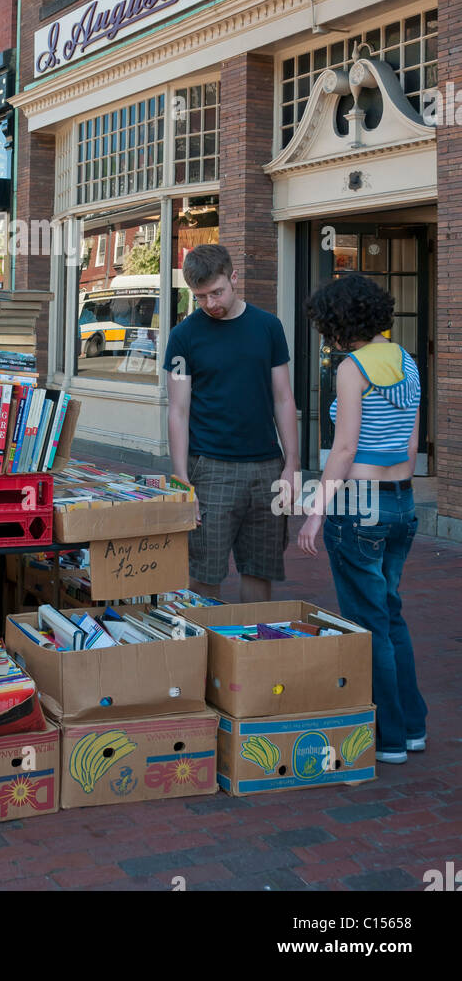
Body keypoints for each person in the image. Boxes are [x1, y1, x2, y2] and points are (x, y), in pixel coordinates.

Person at [298, 273, 426, 765]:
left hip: (360, 504)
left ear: (338, 322)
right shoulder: (405, 360)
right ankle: (411, 728)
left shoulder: (352, 368)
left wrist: (316, 512)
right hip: (402, 500)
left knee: (367, 623)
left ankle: (388, 738)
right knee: (392, 616)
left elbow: (345, 447)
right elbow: (412, 445)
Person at [165, 244, 299, 602]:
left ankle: (250, 653)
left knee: (260, 570)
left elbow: (284, 398)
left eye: (217, 292)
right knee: (204, 574)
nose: (210, 303)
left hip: (267, 467)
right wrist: (181, 478)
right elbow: (177, 410)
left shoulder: (269, 327)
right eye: (201, 297)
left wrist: (292, 466)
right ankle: (203, 651)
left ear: (234, 277)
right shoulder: (183, 337)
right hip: (210, 469)